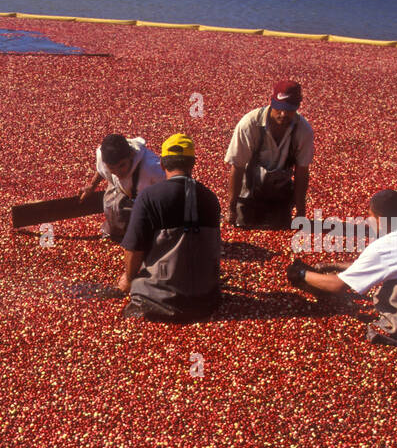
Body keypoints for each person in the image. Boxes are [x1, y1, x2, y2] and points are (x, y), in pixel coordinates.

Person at [287, 189, 397, 348]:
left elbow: (337, 285)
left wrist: (301, 274)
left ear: (379, 219)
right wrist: (333, 265)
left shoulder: (387, 246)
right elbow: (383, 265)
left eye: (370, 216)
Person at [117, 134, 222, 322]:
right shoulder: (210, 198)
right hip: (206, 298)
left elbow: (134, 247)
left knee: (137, 285)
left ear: (163, 165)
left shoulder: (149, 197)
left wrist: (128, 278)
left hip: (160, 297)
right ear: (193, 164)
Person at [224, 80, 314, 228]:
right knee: (243, 223)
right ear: (272, 103)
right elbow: (238, 167)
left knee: (280, 225)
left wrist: (301, 213)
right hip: (249, 192)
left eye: (289, 109)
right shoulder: (249, 125)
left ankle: (280, 210)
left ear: (298, 107)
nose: (283, 114)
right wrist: (231, 208)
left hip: (280, 191)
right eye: (279, 108)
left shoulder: (303, 131)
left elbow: (301, 172)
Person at [79, 134, 166, 242]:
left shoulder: (151, 168)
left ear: (131, 155)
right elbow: (101, 170)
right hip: (121, 188)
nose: (118, 172)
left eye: (122, 165)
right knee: (112, 207)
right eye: (112, 168)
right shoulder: (102, 157)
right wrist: (92, 186)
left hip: (147, 196)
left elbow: (170, 189)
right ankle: (118, 231)